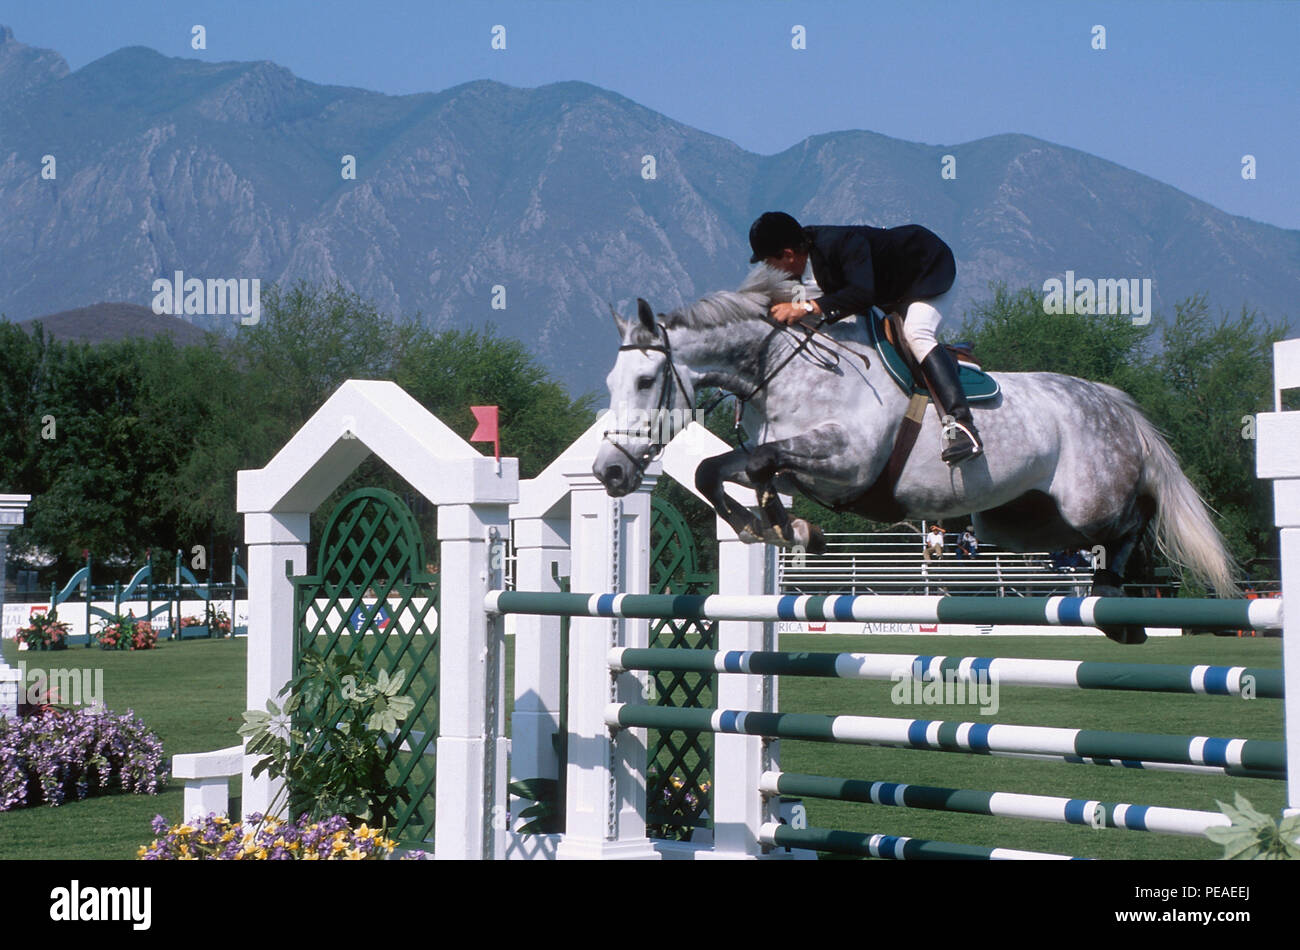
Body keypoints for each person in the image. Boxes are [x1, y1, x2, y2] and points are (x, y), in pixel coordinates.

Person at [747, 211, 982, 463]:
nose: (768, 268)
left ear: (788, 255)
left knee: (917, 334)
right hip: (889, 290)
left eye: (768, 262)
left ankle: (962, 426)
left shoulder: (841, 244)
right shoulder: (801, 265)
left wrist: (805, 308)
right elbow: (817, 300)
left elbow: (861, 295)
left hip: (928, 271)